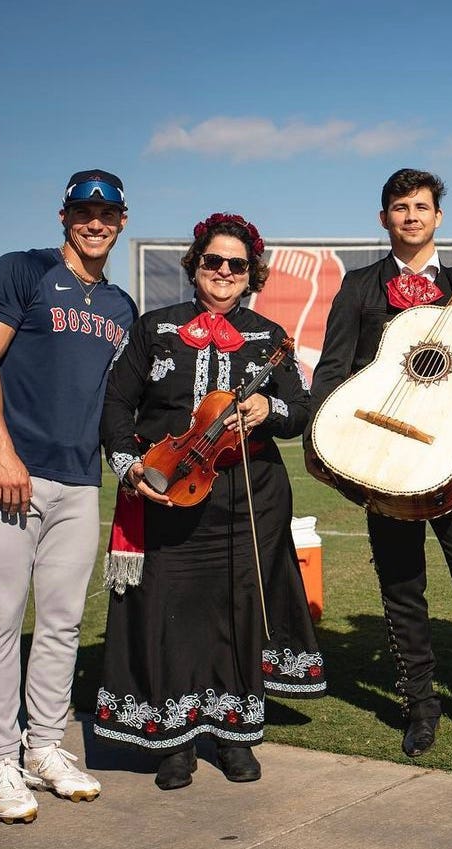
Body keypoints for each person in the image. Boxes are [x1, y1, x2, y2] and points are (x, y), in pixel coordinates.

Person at [95, 212, 325, 790]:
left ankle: (235, 732)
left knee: (237, 608)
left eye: (236, 265)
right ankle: (174, 740)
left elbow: (302, 411)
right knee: (172, 610)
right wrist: (129, 466)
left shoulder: (270, 338)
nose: (224, 271)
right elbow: (117, 406)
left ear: (252, 274)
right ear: (195, 266)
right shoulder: (154, 329)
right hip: (169, 489)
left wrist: (267, 410)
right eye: (213, 261)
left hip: (249, 498)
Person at [306, 168, 452, 757]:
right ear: (384, 218)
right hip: (384, 457)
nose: (410, 216)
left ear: (438, 218)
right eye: (399, 206)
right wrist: (325, 444)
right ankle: (420, 706)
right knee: (402, 589)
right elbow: (332, 371)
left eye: (421, 206)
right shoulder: (358, 287)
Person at [0, 169, 137, 823]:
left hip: (80, 482)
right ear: (64, 216)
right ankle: (0, 761)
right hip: (10, 473)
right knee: (1, 620)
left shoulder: (122, 308)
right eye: (84, 211)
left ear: (122, 221)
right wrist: (2, 451)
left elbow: (122, 405)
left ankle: (45, 748)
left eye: (107, 213)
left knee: (61, 624)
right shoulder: (20, 271)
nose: (96, 222)